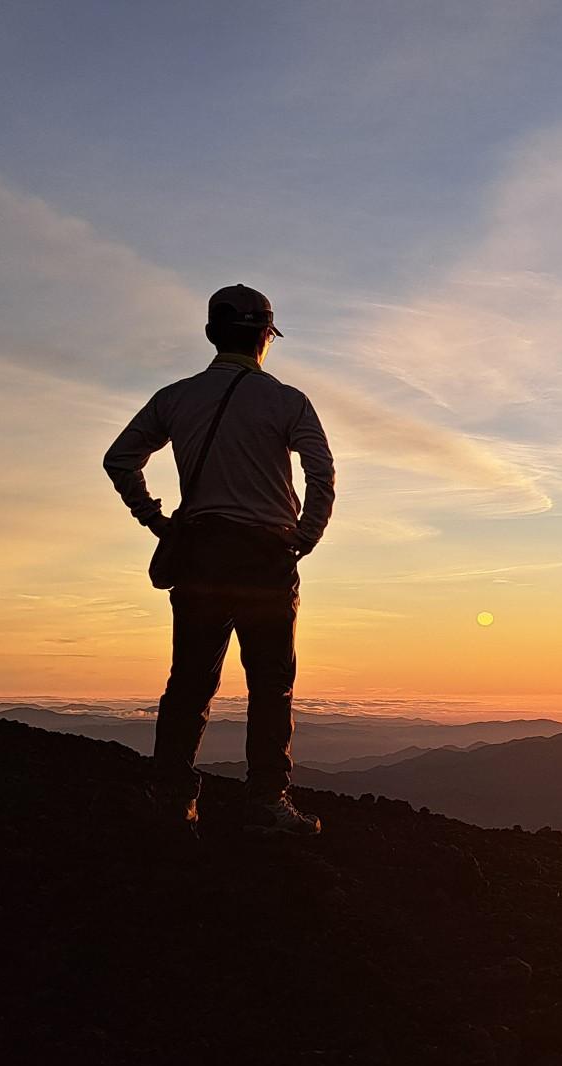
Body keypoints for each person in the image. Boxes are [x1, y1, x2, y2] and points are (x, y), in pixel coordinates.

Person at [103, 284, 334, 836]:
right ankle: (267, 803)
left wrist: (156, 520)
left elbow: (120, 459)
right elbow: (321, 474)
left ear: (211, 334)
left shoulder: (176, 397)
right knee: (271, 686)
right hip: (267, 558)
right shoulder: (287, 401)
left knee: (190, 682)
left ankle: (171, 798)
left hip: (201, 554)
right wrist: (306, 536)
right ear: (264, 338)